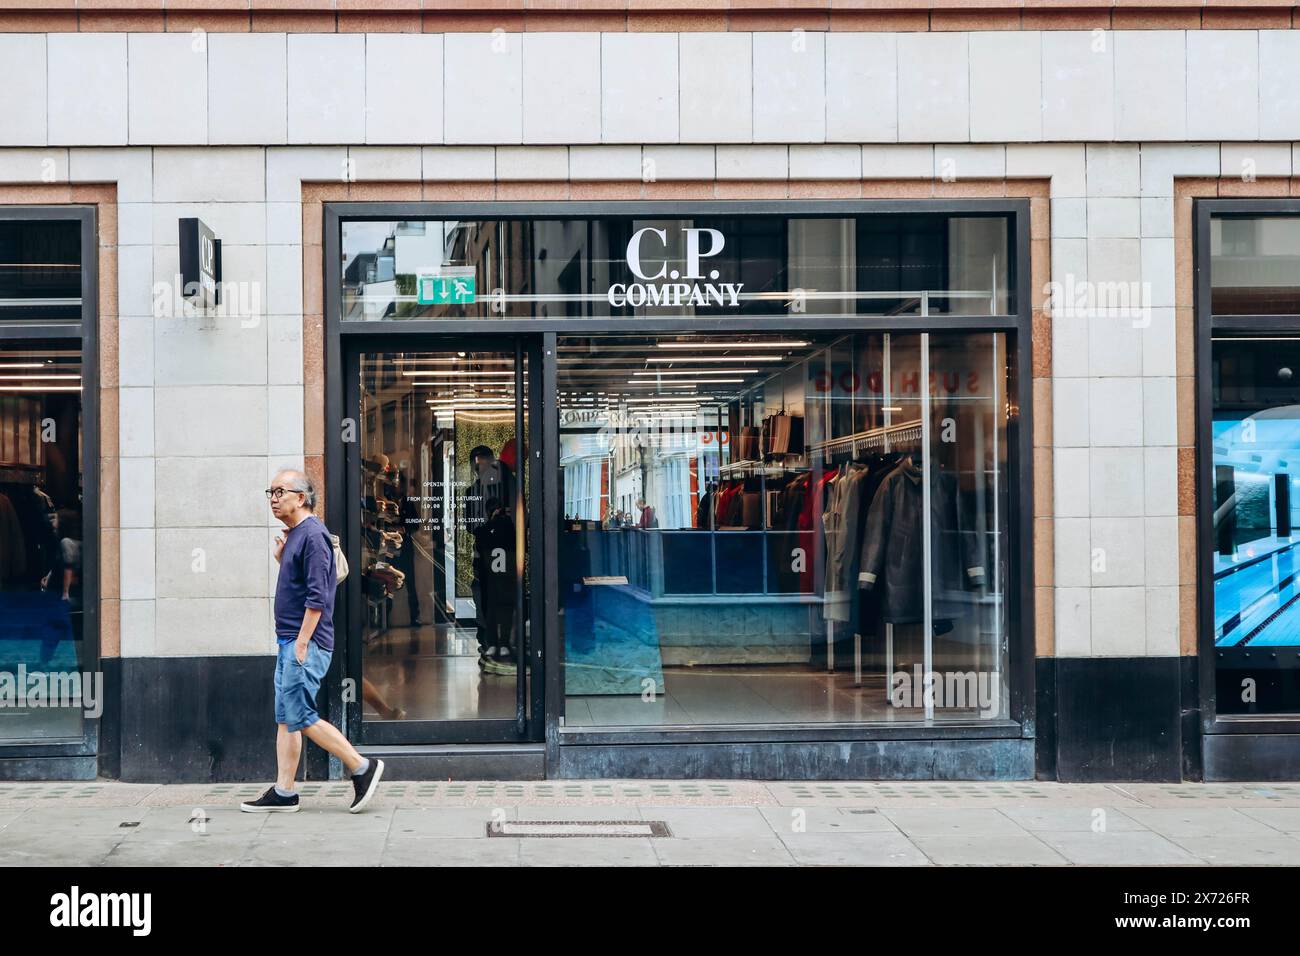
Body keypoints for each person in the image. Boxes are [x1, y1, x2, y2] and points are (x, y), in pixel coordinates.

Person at [240, 469, 385, 814]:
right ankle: (285, 791)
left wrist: (303, 643)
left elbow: (319, 597)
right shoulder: (295, 536)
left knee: (301, 716)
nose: (273, 498)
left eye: (280, 492)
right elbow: (301, 586)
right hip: (290, 640)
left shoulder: (314, 536)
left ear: (301, 497)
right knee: (286, 717)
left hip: (304, 642)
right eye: (270, 492)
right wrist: (282, 562)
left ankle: (362, 767)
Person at [471, 496, 517, 675]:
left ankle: (491, 644)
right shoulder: (510, 529)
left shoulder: (482, 531)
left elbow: (478, 552)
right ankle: (504, 643)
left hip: (489, 578)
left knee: (489, 610)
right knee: (505, 609)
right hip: (507, 576)